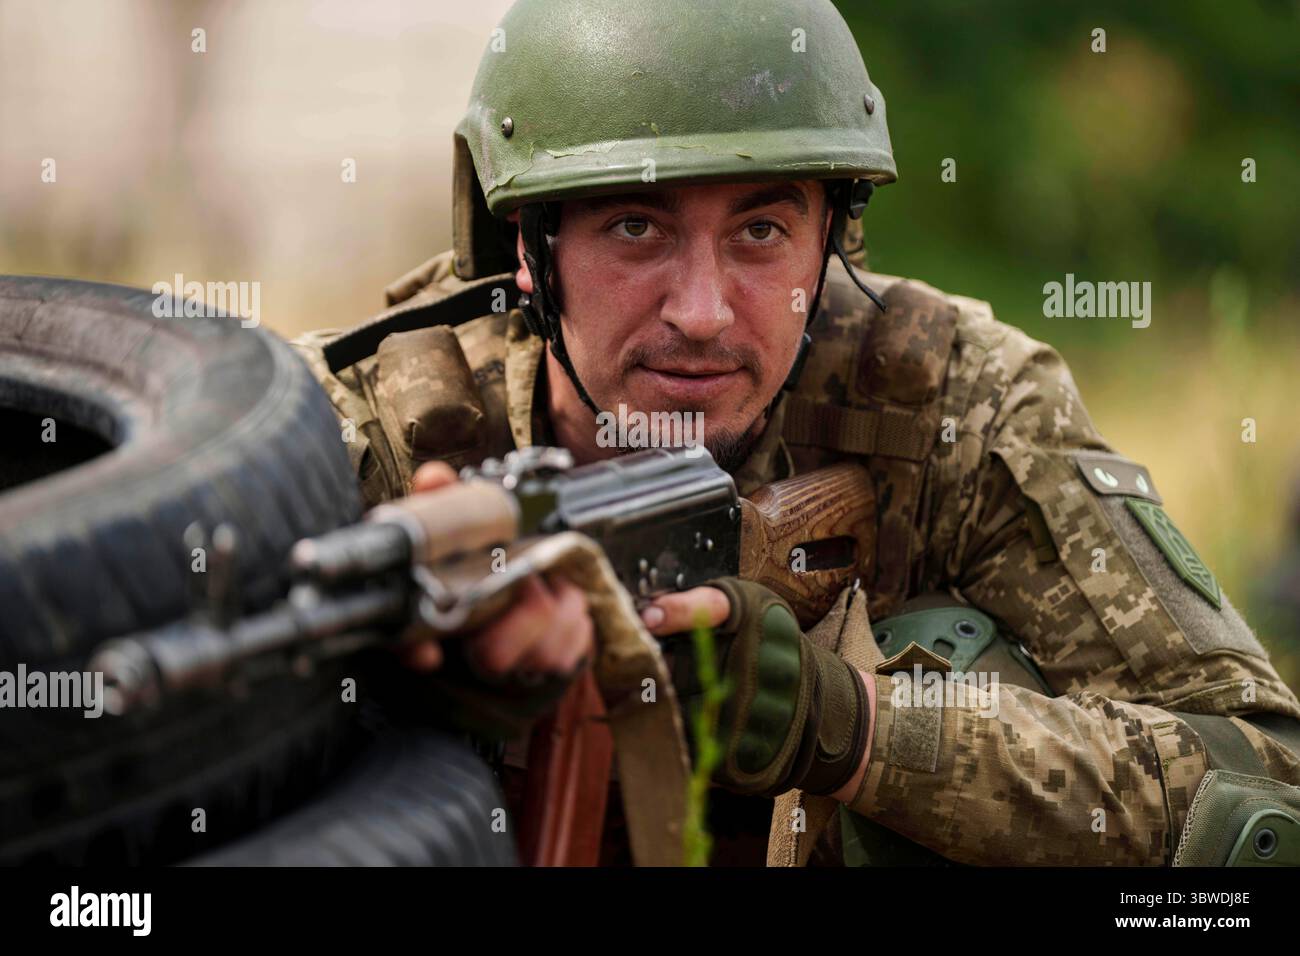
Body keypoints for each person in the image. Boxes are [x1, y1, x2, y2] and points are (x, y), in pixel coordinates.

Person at [292, 0, 1300, 866]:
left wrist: (851, 726)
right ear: (527, 247)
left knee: (950, 656)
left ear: (832, 237)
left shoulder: (953, 405)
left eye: (760, 231)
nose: (702, 309)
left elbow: (1261, 797)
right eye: (634, 227)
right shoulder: (358, 431)